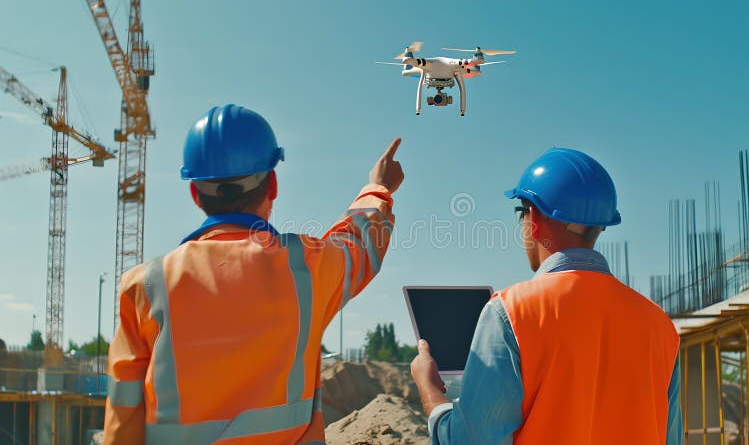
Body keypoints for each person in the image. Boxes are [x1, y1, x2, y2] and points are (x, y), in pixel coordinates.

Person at [103, 104, 404, 444]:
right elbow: (361, 242)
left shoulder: (145, 285)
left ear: (194, 192)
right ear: (272, 184)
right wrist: (378, 188)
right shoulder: (304, 268)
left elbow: (123, 415)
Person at [411, 148, 682, 445]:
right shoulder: (659, 326)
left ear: (534, 220)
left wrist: (430, 391)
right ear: (600, 225)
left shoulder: (511, 313)